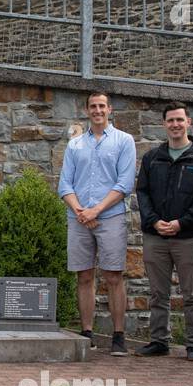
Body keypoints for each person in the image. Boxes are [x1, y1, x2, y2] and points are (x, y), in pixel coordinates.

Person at [57, 91, 137, 356]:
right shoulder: (75, 144)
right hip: (78, 218)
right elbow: (65, 184)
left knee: (113, 276)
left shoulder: (124, 141)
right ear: (87, 110)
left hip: (110, 217)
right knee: (84, 276)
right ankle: (87, 332)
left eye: (102, 106)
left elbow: (124, 184)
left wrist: (96, 210)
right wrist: (81, 211)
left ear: (110, 109)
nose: (98, 110)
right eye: (93, 106)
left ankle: (118, 336)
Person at [134, 102, 193, 361]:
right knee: (159, 293)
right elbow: (142, 193)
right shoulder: (152, 158)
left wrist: (182, 223)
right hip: (155, 236)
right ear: (163, 124)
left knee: (191, 293)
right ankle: (159, 340)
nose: (175, 125)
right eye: (170, 120)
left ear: (189, 122)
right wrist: (154, 220)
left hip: (188, 236)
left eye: (180, 120)